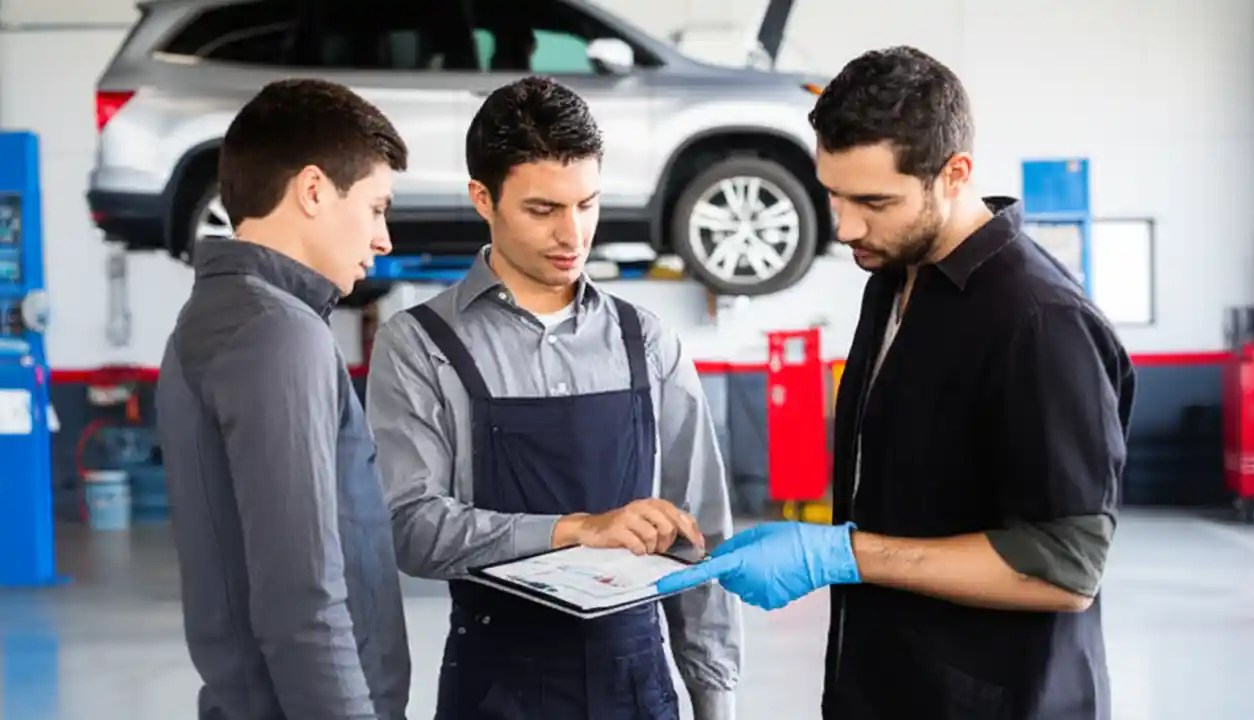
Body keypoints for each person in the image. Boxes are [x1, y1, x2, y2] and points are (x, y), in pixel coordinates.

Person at [657, 46, 1136, 720]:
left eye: (874, 201)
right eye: (833, 195)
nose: (846, 226)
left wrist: (840, 554)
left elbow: (1067, 566)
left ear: (954, 174)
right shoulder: (892, 280)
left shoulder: (1039, 323)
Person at [364, 76, 743, 720]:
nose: (573, 234)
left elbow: (700, 532)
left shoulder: (645, 341)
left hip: (636, 685)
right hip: (495, 688)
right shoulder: (419, 345)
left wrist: (715, 697)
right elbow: (413, 530)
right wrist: (578, 531)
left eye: (587, 204)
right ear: (483, 198)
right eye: (543, 210)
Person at [155, 78, 412, 720]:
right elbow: (302, 600)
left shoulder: (222, 316)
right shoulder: (277, 333)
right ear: (315, 190)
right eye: (377, 207)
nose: (385, 239)